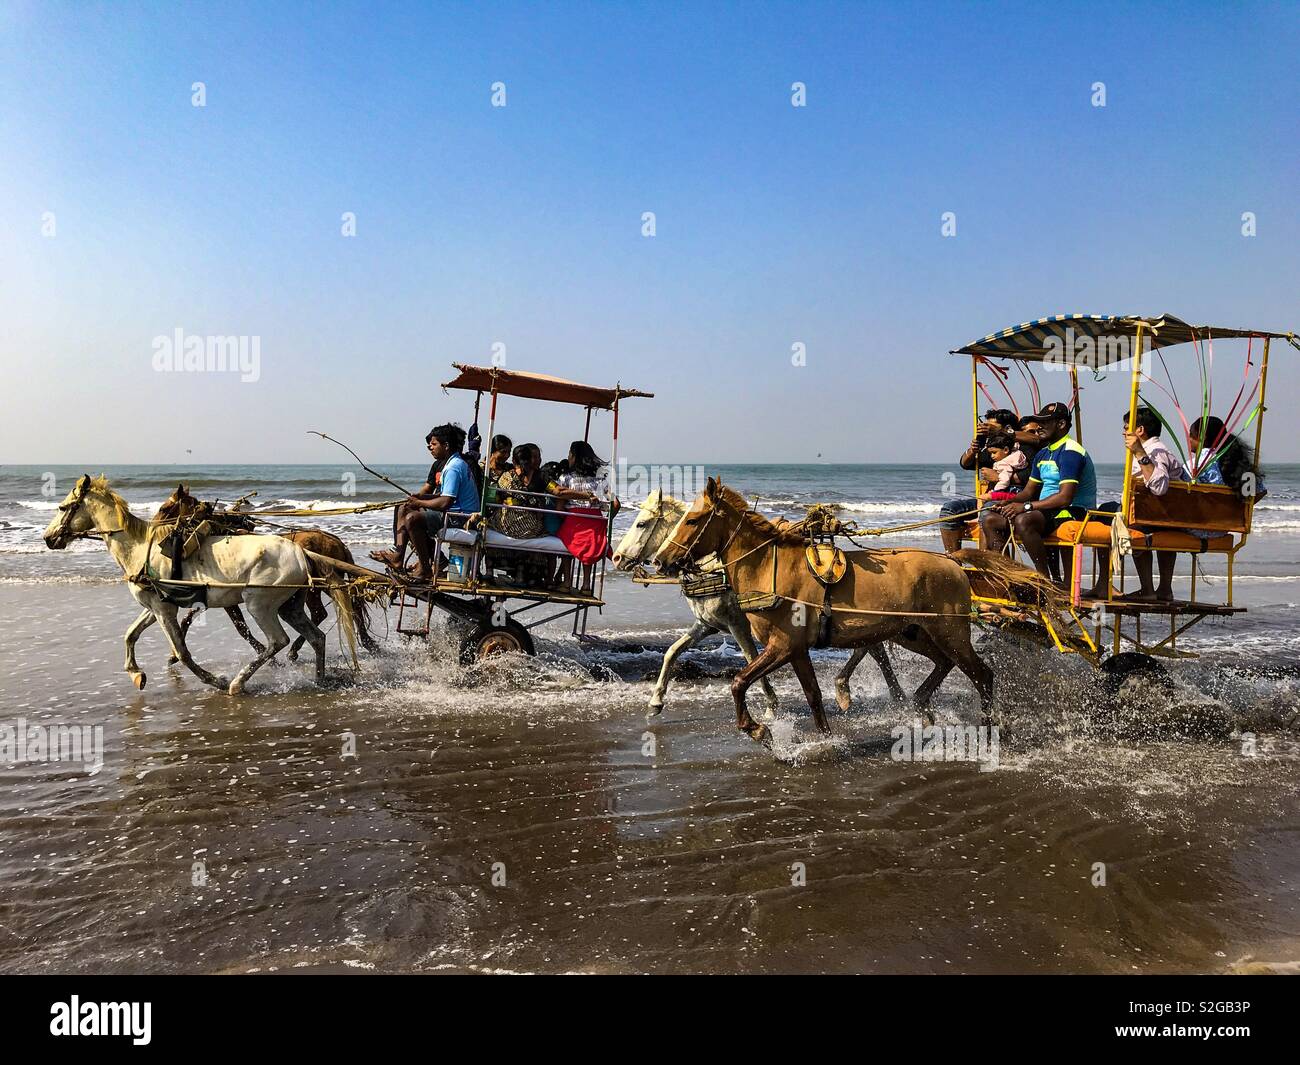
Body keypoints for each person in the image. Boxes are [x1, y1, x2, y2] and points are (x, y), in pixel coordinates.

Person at [980, 402, 1097, 580]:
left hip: (1074, 511)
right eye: (1039, 422)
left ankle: (1043, 579)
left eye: (1045, 422)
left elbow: (1065, 498)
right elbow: (1028, 492)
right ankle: (1009, 576)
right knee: (990, 520)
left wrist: (1025, 507)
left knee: (1024, 519)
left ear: (1061, 424)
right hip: (1050, 511)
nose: (1039, 426)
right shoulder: (1043, 454)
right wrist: (1009, 502)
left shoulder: (1071, 452)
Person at [1085, 407, 1187, 602]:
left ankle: (1105, 584)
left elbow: (1160, 487)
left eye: (1126, 428)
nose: (1124, 433)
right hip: (1162, 517)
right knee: (1120, 513)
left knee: (1102, 517)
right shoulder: (1163, 450)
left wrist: (1139, 452)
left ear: (1139, 430)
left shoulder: (1153, 451)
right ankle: (1160, 588)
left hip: (1149, 518)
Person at [370, 423, 481, 581]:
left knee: (412, 519)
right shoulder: (451, 463)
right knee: (403, 508)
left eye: (434, 444)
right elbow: (444, 497)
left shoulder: (453, 468)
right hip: (454, 513)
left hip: (460, 518)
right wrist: (419, 499)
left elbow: (445, 503)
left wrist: (420, 503)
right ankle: (398, 556)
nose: (430, 447)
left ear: (446, 445)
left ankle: (425, 568)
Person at [938, 409, 1023, 553]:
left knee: (986, 511)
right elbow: (966, 464)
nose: (989, 431)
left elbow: (1029, 476)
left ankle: (992, 563)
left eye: (992, 428)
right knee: (949, 509)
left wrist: (998, 477)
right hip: (990, 497)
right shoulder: (993, 450)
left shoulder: (1020, 448)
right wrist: (973, 449)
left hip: (1012, 497)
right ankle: (954, 561)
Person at [492, 444, 548, 540]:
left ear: (514, 460)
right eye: (534, 457)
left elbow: (558, 491)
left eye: (539, 457)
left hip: (507, 525)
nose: (538, 460)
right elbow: (558, 491)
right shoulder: (508, 476)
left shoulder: (506, 477)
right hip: (529, 527)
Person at [979, 431, 1028, 502]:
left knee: (983, 501)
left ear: (1006, 450)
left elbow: (1005, 480)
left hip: (1011, 492)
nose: (992, 456)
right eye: (990, 453)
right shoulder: (1017, 454)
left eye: (994, 452)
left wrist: (995, 491)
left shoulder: (1003, 464)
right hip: (1020, 490)